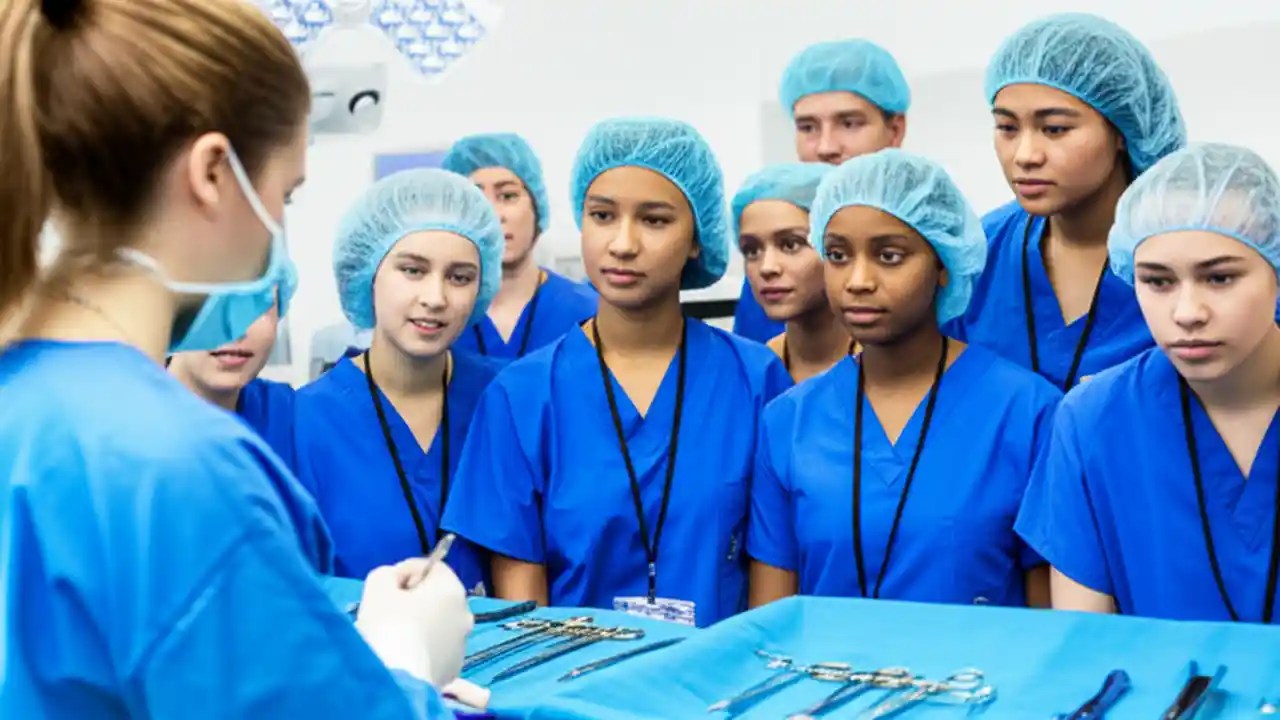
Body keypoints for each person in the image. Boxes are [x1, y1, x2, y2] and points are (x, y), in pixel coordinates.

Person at [0, 1, 469, 717]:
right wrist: (401, 660)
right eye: (285, 193)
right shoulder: (176, 470)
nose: (279, 231)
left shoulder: (28, 402)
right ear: (214, 172)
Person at [442, 117, 793, 628]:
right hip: (572, 691)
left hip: (719, 691)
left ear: (697, 238)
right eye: (602, 215)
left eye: (654, 220)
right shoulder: (523, 396)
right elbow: (525, 610)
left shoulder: (756, 381)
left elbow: (774, 587)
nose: (623, 244)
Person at [749, 149, 1060, 609]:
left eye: (889, 256)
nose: (857, 280)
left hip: (979, 678)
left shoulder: (1027, 412)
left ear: (943, 264)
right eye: (836, 255)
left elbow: (1048, 618)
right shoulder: (788, 421)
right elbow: (770, 620)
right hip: (829, 680)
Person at [1018, 143, 1280, 622]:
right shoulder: (1093, 420)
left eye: (1220, 278)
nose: (1187, 314)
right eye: (1158, 282)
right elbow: (1085, 641)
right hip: (1158, 700)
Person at [946, 13, 1187, 390]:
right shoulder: (976, 255)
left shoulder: (1198, 250)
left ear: (1124, 129)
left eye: (1055, 129)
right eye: (1007, 128)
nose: (1025, 155)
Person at [293, 168, 503, 593]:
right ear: (368, 274)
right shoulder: (304, 424)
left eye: (460, 277)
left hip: (499, 653)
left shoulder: (505, 400)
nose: (435, 298)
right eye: (412, 270)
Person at [734, 39, 910, 343]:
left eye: (849, 123)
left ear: (895, 130)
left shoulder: (943, 247)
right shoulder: (773, 265)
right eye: (808, 127)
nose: (826, 147)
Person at [442, 132, 597, 360]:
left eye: (507, 196)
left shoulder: (588, 312)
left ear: (537, 207)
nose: (493, 215)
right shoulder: (435, 313)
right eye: (476, 199)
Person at [733, 162, 852, 382]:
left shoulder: (888, 369)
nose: (767, 267)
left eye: (790, 245)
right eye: (752, 250)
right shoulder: (754, 371)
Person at [168, 289, 297, 469]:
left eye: (257, 304)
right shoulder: (125, 424)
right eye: (212, 307)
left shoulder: (291, 417)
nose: (236, 331)